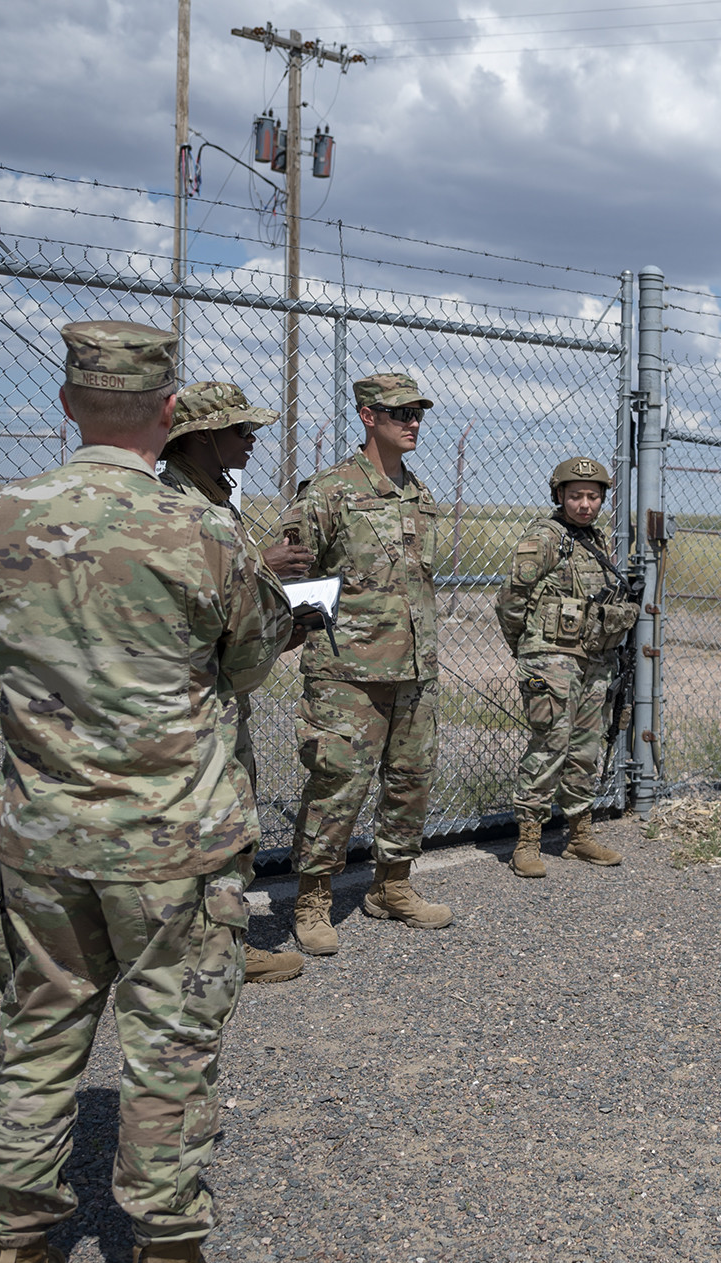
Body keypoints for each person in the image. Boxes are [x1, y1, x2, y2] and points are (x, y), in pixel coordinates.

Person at [0, 321, 295, 1263]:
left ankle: (17, 1262)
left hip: (42, 839)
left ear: (66, 407)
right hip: (170, 845)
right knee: (170, 1046)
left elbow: (7, 638)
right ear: (164, 413)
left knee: (40, 1028)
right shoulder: (201, 532)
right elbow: (242, 672)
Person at [284, 373, 453, 955]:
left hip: (414, 667)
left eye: (418, 413)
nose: (412, 422)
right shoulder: (331, 490)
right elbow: (293, 568)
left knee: (411, 780)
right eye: (399, 413)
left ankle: (393, 886)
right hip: (346, 673)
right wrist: (309, 642)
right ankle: (312, 898)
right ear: (366, 415)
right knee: (337, 784)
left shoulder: (418, 494)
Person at [159, 381, 316, 985]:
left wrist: (282, 614)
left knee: (225, 821)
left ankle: (211, 943)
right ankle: (218, 954)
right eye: (241, 430)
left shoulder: (212, 496)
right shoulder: (175, 501)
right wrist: (263, 570)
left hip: (222, 688)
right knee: (219, 825)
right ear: (201, 437)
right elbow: (195, 592)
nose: (253, 440)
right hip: (197, 697)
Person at [494, 456, 641, 878]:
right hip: (552, 658)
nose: (585, 504)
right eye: (576, 496)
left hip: (595, 660)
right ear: (559, 496)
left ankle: (579, 835)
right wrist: (526, 649)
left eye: (593, 497)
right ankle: (527, 840)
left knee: (586, 747)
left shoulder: (595, 540)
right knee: (550, 744)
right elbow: (510, 599)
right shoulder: (546, 537)